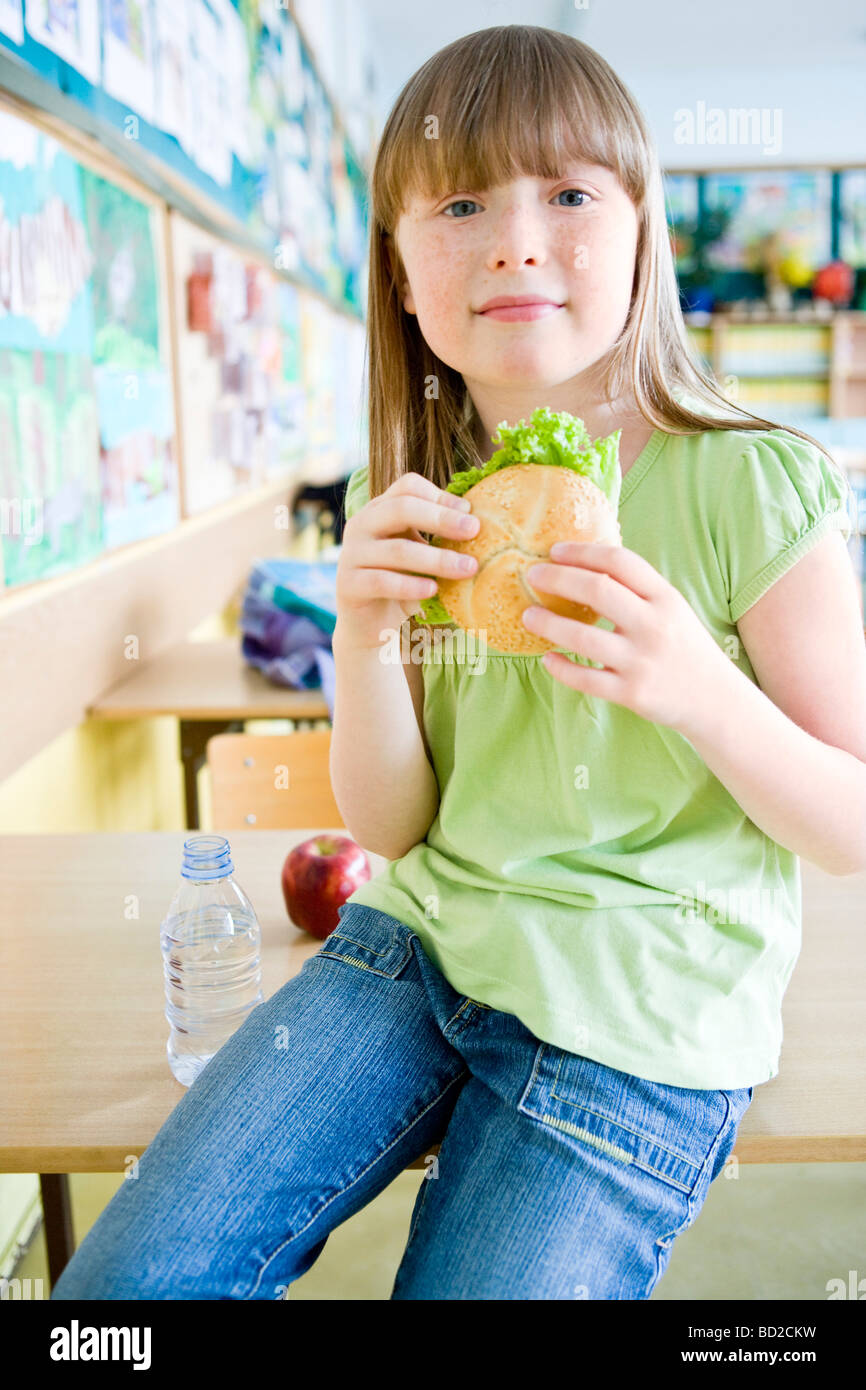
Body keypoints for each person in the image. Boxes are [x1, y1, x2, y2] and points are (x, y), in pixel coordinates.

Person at [52, 25, 863, 1302]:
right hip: (414, 947)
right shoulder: (418, 499)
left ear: (643, 230)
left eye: (570, 194)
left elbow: (851, 819)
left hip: (641, 1012)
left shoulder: (749, 483)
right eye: (463, 202)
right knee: (115, 1301)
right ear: (401, 265)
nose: (516, 240)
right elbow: (394, 822)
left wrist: (692, 687)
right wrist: (361, 636)